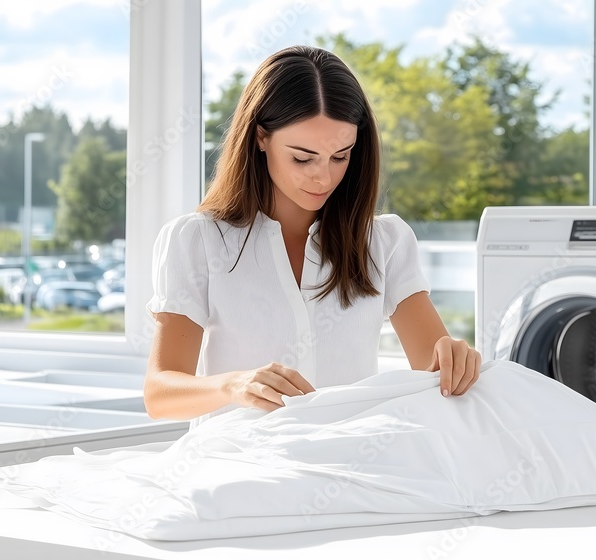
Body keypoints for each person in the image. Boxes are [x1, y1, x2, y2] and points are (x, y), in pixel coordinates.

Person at [143, 45, 482, 429]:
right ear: (260, 138)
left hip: (348, 465)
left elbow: (435, 373)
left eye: (341, 156)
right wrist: (233, 386)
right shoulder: (197, 241)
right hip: (239, 465)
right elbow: (159, 394)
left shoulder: (384, 242)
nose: (323, 177)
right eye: (303, 158)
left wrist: (455, 357)